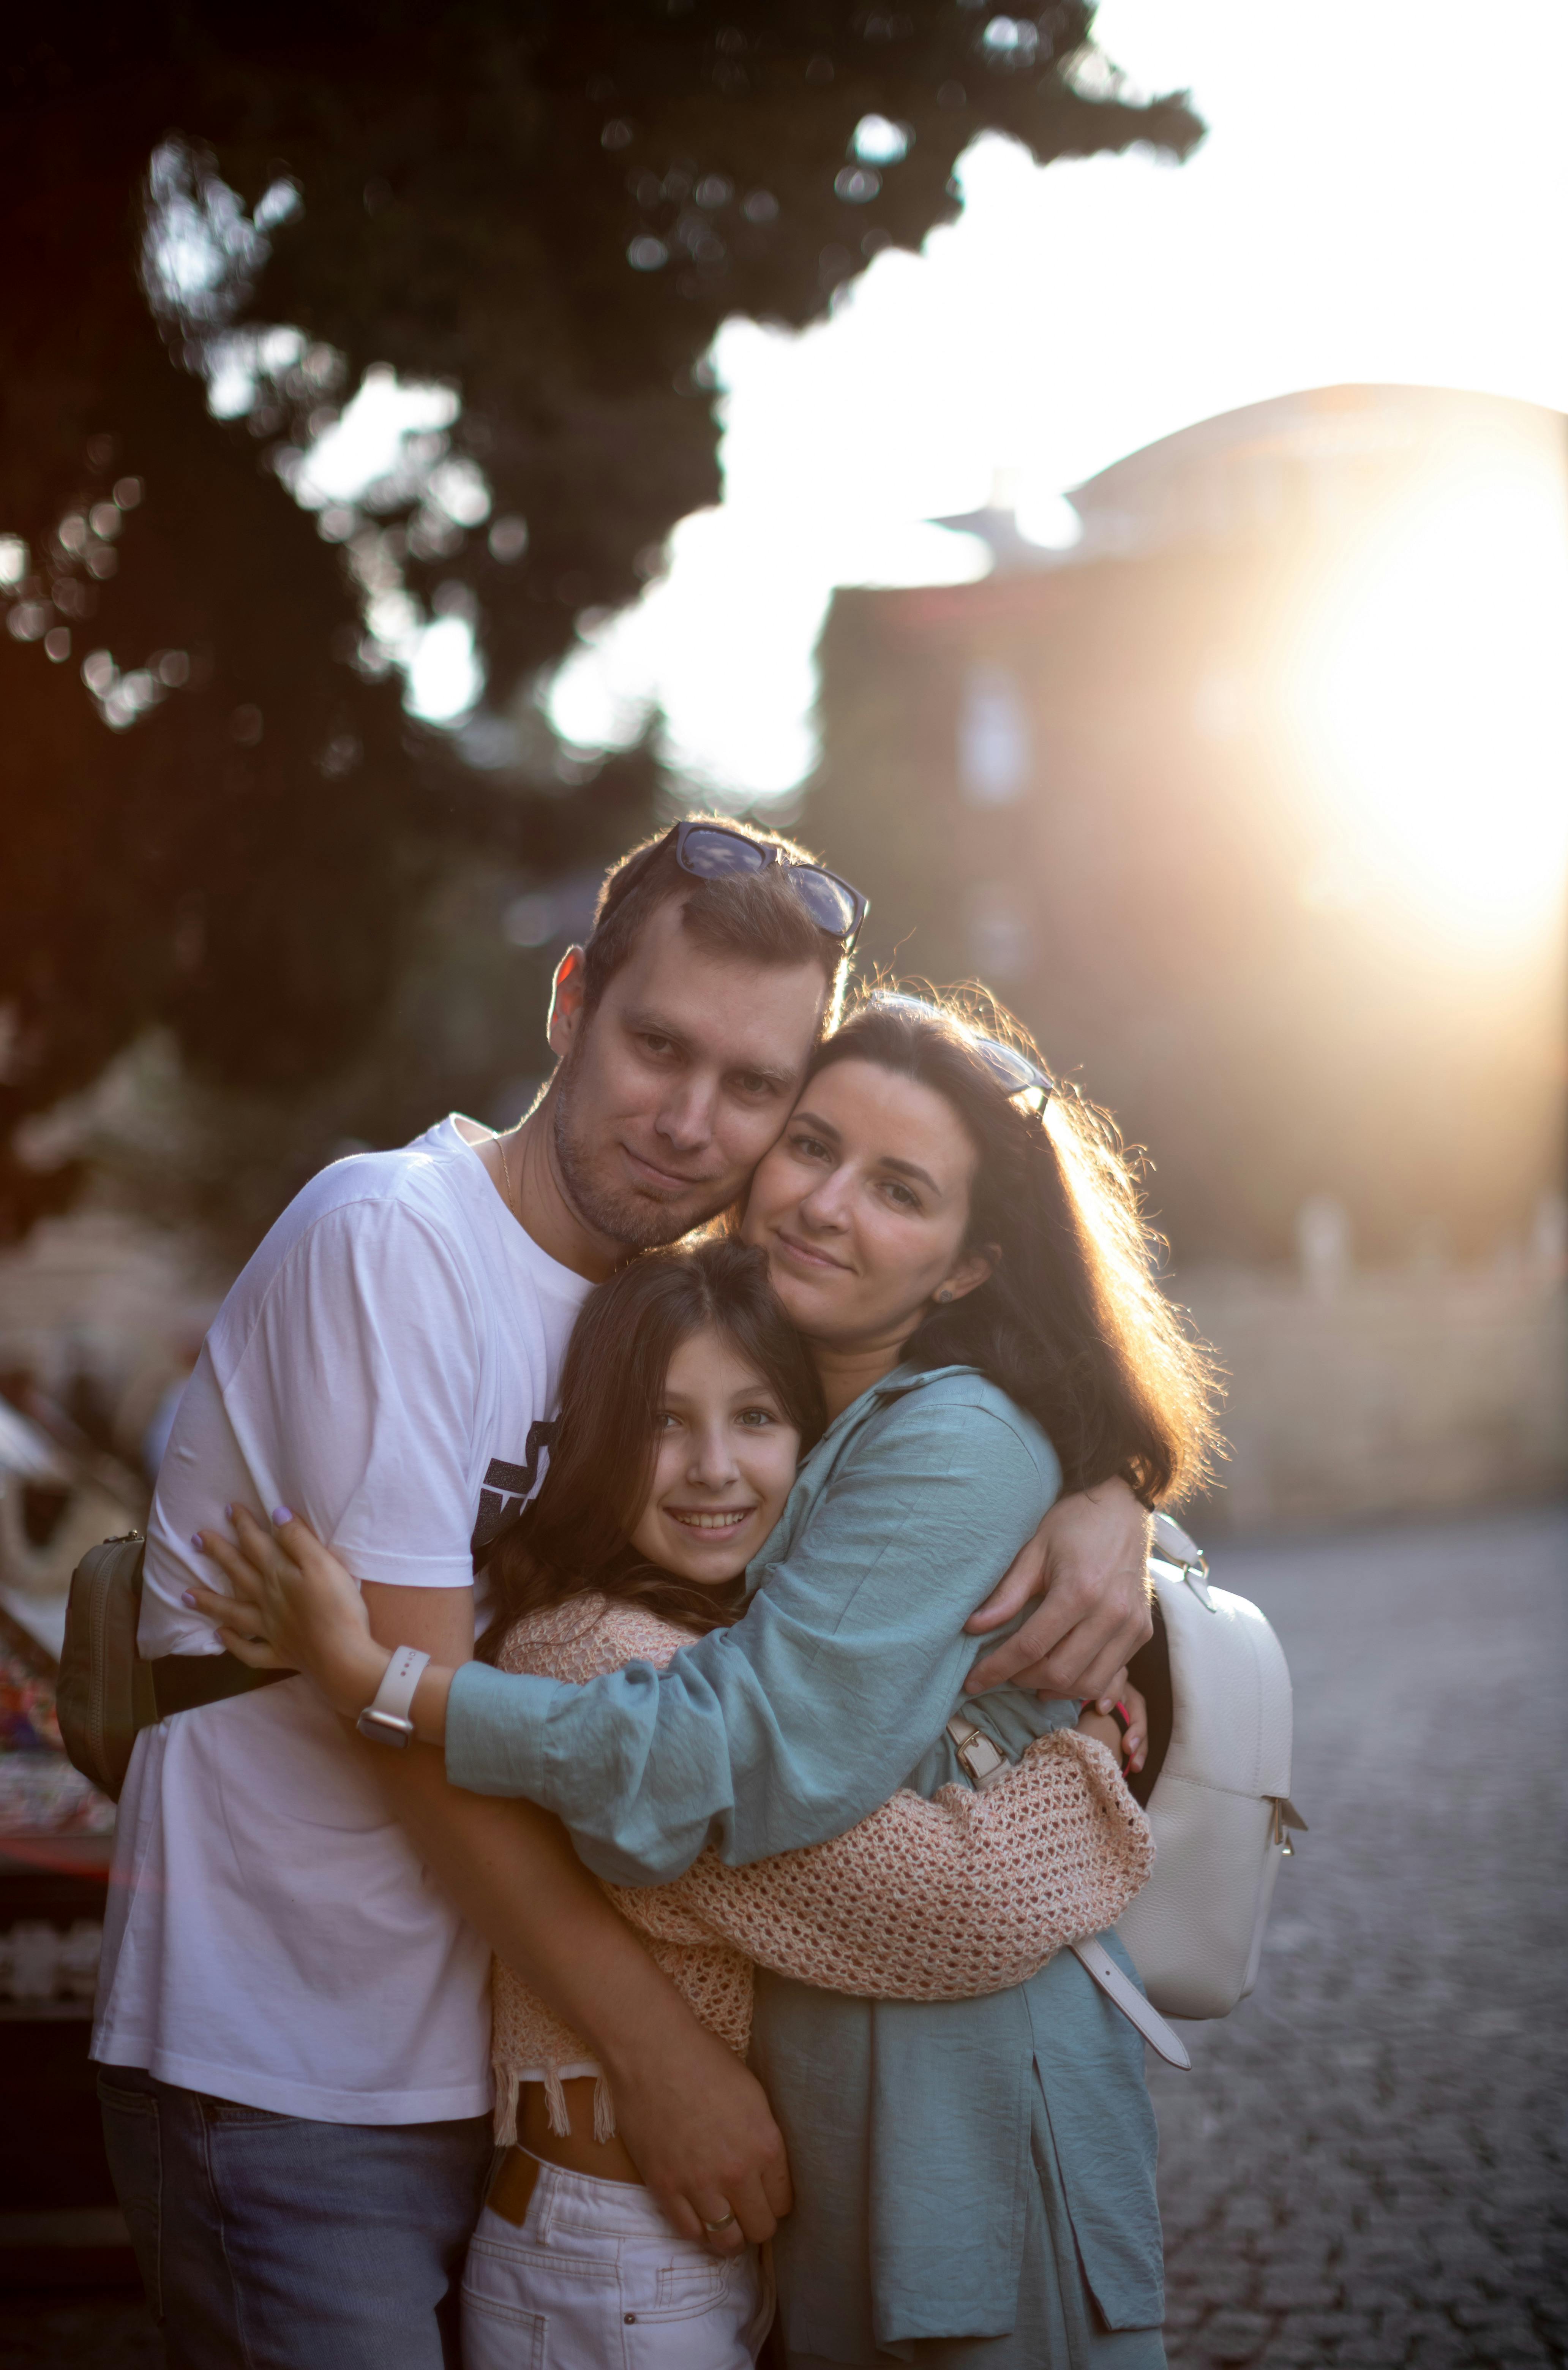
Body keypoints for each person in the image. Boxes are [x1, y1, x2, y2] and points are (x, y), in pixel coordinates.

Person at [99, 820, 1154, 2370]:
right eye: (657, 1046)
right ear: (567, 1001)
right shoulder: (398, 1244)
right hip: (299, 2057)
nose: (689, 1122)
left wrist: (1102, 1487)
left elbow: (910, 1412)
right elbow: (406, 1728)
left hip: (490, 2078)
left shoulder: (674, 1303)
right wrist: (665, 2062)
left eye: (752, 1091)